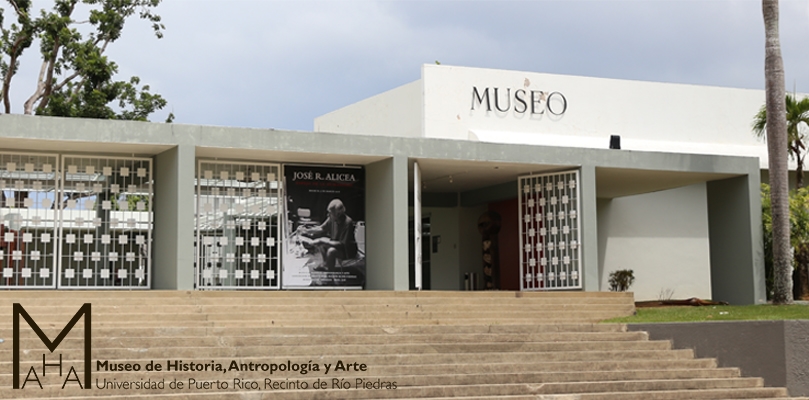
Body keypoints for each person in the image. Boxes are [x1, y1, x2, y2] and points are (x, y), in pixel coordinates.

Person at [298, 199, 357, 271]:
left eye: (330, 213)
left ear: (338, 214)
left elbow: (342, 244)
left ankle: (330, 273)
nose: (328, 215)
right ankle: (326, 264)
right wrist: (306, 230)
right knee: (321, 244)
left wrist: (322, 240)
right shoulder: (332, 218)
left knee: (331, 251)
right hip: (337, 243)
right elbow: (321, 228)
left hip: (347, 250)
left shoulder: (348, 222)